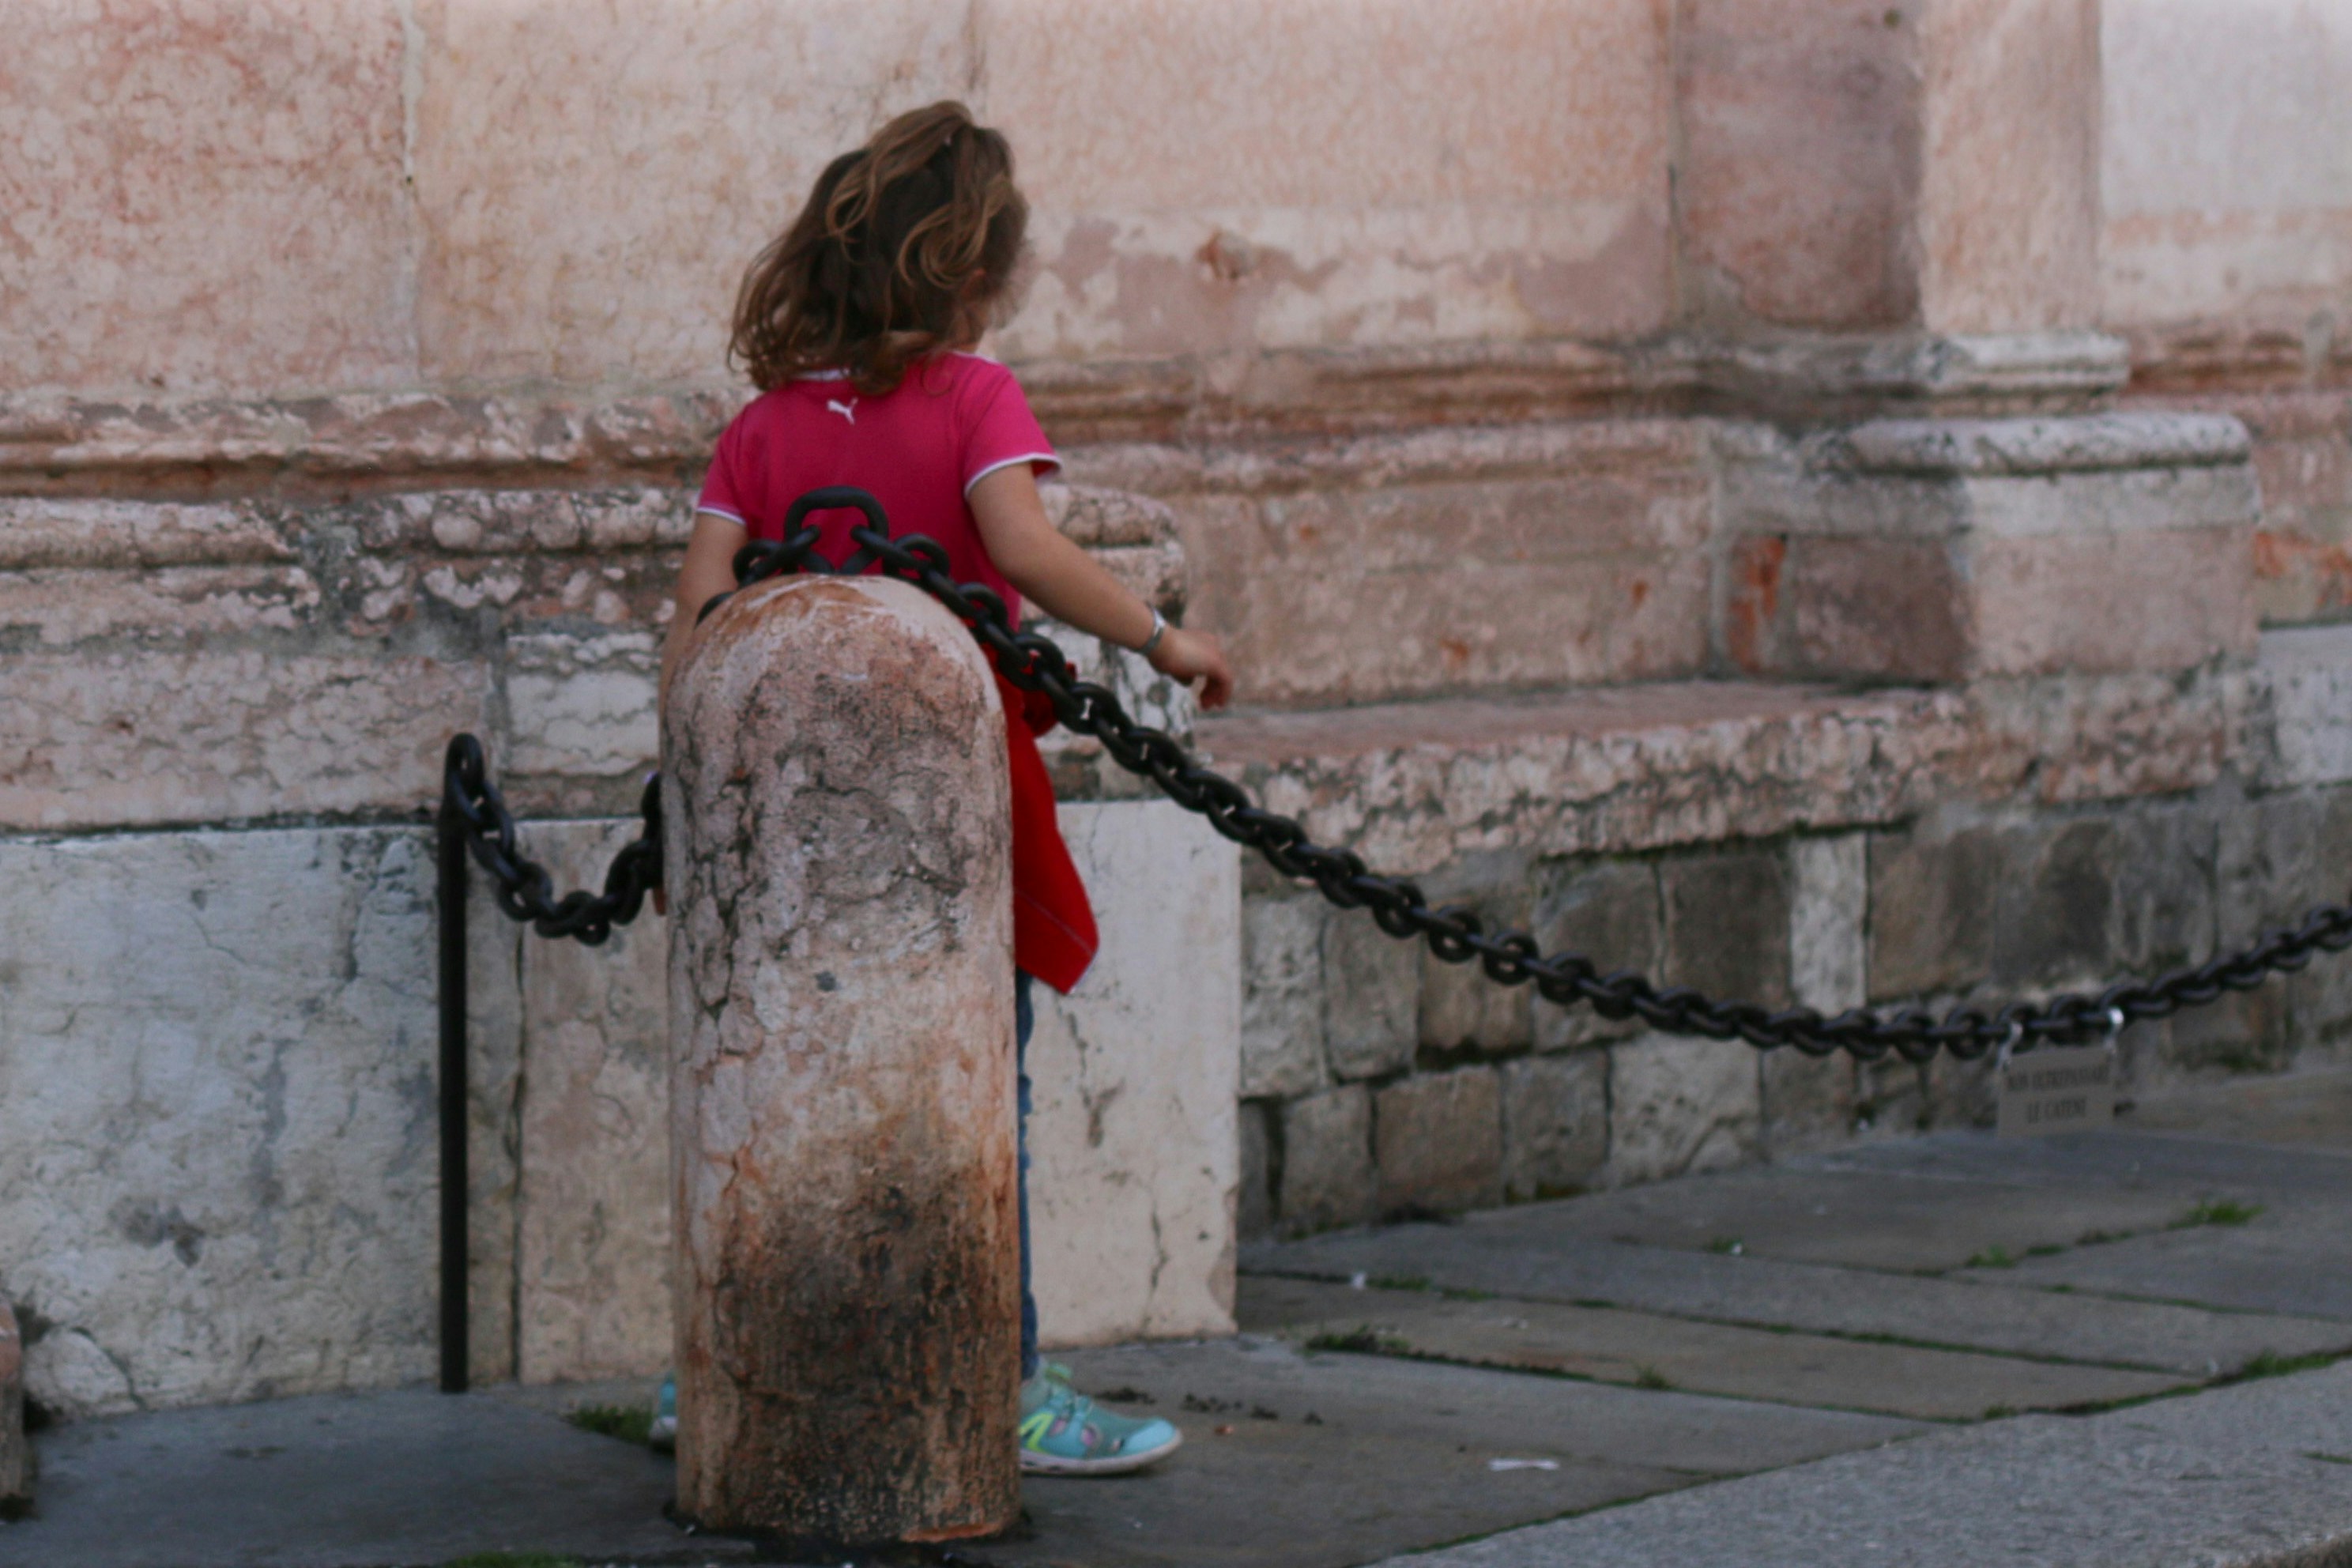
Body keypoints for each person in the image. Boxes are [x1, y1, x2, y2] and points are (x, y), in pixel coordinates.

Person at [656, 100, 1234, 1477]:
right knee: (985, 1104)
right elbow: (1025, 550)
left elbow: (696, 623)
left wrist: (686, 804)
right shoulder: (979, 399)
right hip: (945, 816)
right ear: (973, 277)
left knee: (771, 1091)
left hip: (785, 824)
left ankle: (725, 1375)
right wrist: (1163, 637)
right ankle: (1008, 1384)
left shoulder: (762, 430)